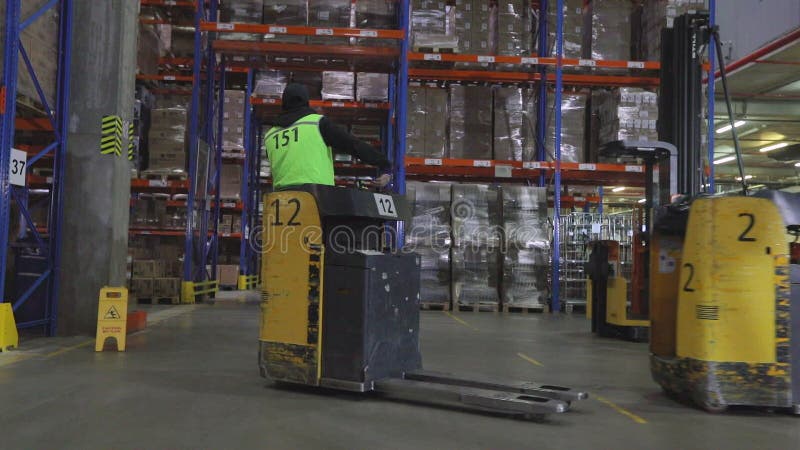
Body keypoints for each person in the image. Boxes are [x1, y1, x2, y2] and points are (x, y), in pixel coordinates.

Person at [265, 83, 392, 190]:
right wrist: (384, 164)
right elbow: (352, 144)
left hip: (280, 201)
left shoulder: (270, 135)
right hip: (316, 197)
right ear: (305, 101)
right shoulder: (316, 123)